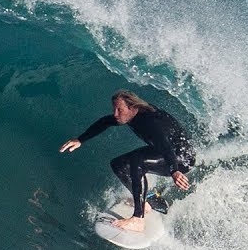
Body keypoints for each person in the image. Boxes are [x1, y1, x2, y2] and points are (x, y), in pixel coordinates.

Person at [59, 90, 196, 233]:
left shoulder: (149, 121)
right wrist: (80, 139)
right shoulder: (133, 115)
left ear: (132, 107)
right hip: (166, 152)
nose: (115, 114)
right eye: (114, 109)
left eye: (119, 109)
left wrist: (174, 171)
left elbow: (166, 146)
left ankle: (138, 218)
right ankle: (147, 201)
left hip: (181, 158)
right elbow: (105, 122)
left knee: (137, 161)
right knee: (119, 164)